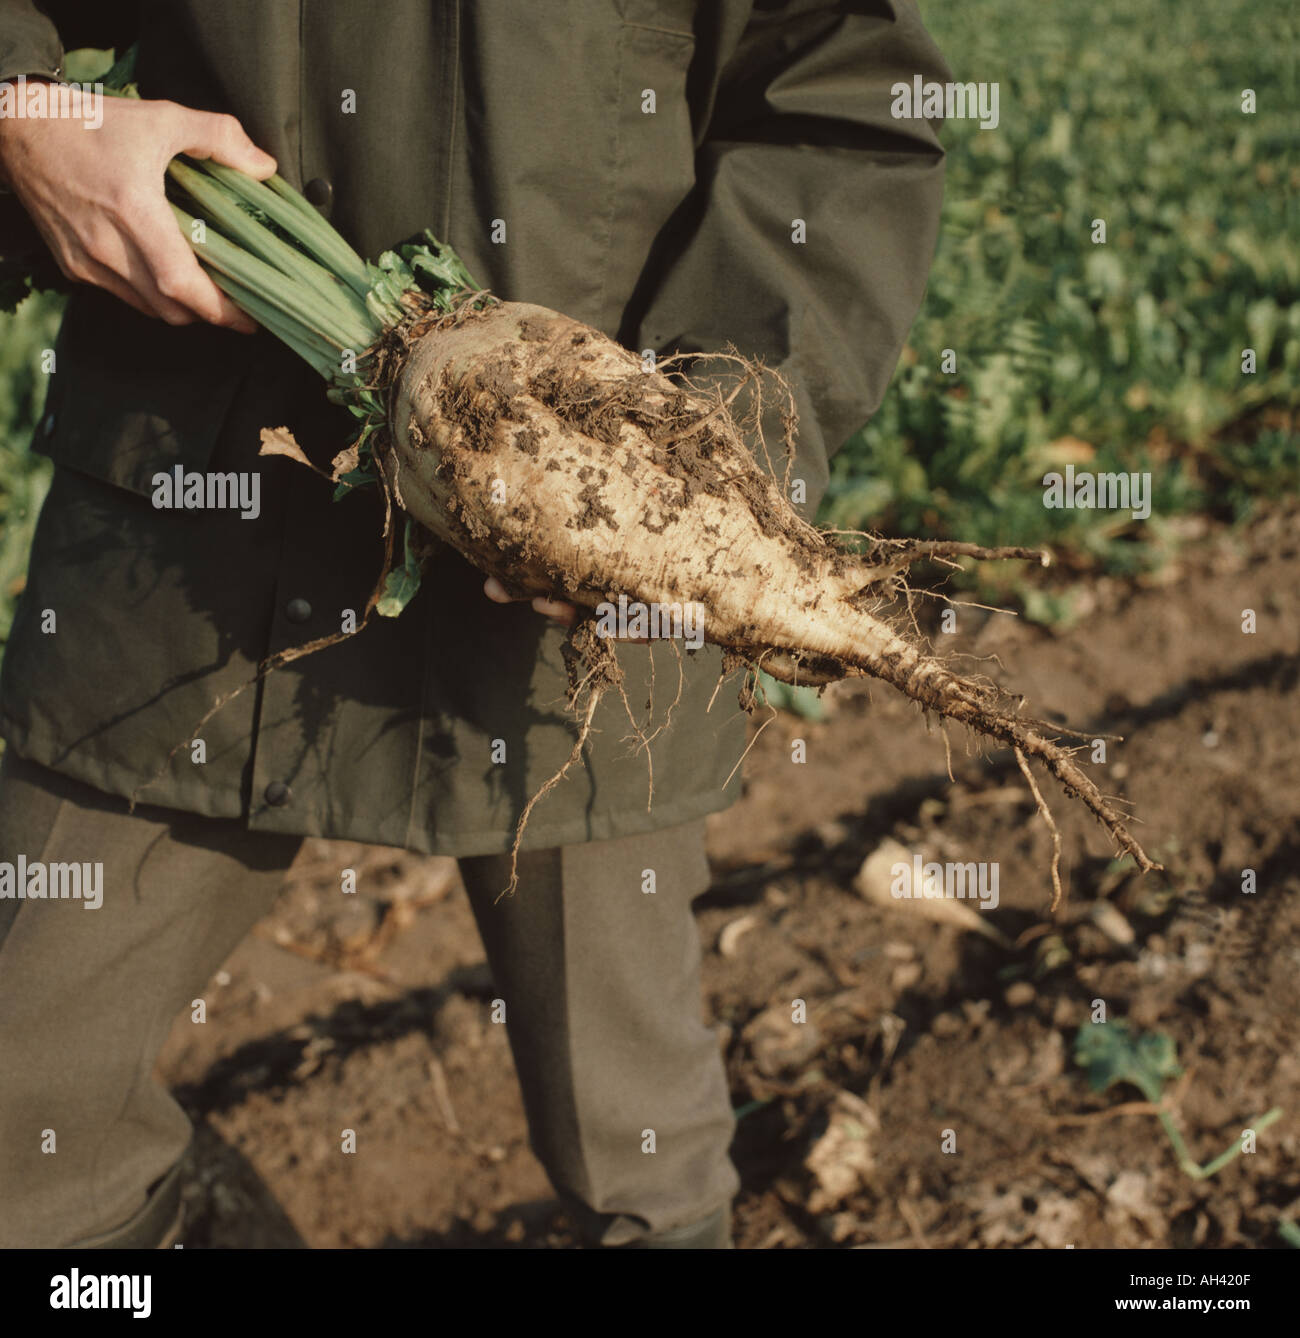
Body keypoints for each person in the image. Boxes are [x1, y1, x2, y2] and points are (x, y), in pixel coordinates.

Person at [0, 0, 950, 1248]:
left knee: (639, 1167)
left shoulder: (643, 495)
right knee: (23, 1120)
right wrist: (25, 116)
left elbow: (843, 97)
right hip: (199, 498)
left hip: (605, 531)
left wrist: (688, 457)